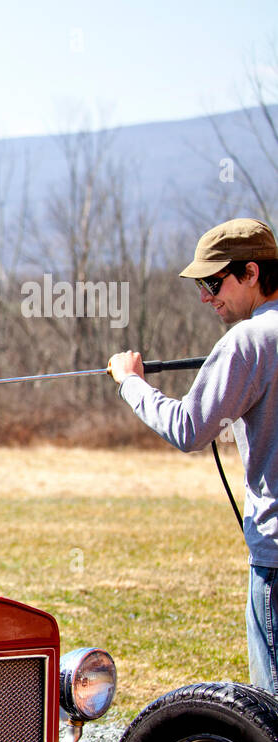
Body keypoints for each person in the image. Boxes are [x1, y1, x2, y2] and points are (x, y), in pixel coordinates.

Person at [108, 218, 278, 693]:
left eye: (213, 281)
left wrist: (131, 384)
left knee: (272, 724)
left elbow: (188, 429)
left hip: (276, 558)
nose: (206, 296)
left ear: (250, 273)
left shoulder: (249, 341)